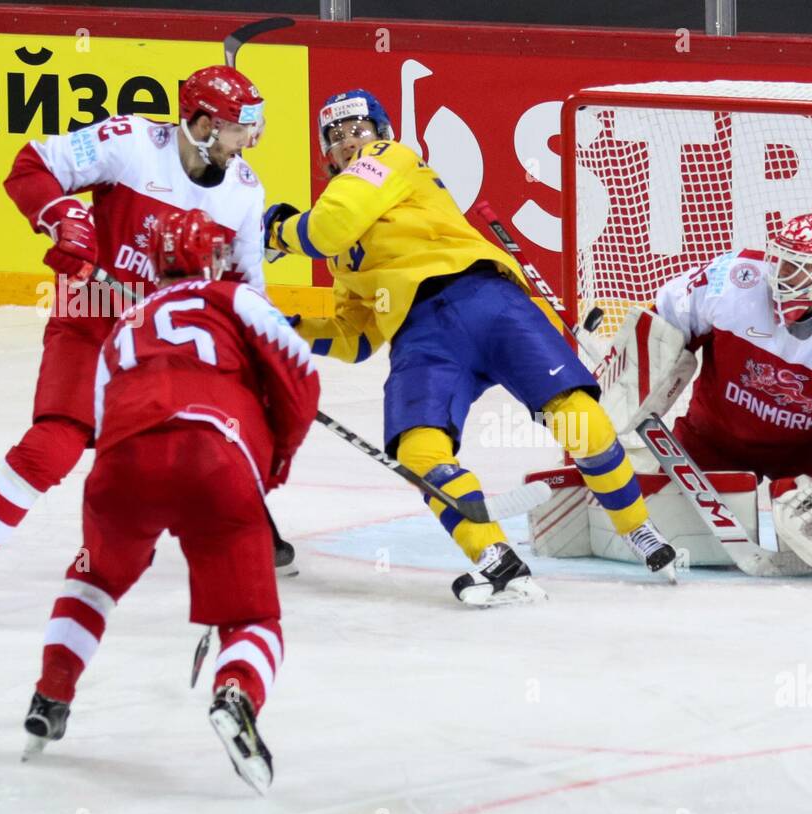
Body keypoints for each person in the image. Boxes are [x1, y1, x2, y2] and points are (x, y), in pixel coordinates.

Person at [262, 89, 677, 606]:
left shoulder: (389, 158)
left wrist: (275, 230)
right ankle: (496, 560)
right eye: (337, 137)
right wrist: (279, 325)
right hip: (422, 337)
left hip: (484, 298)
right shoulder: (345, 258)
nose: (349, 142)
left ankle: (637, 528)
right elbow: (357, 337)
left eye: (357, 130)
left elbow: (324, 227)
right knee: (419, 450)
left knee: (578, 419)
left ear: (381, 133)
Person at [0, 65, 281, 623]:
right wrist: (63, 217)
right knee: (55, 444)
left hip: (155, 345)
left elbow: (242, 288)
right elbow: (33, 165)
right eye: (239, 127)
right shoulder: (132, 141)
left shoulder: (244, 194)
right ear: (204, 123)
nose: (250, 140)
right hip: (91, 318)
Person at [21, 207, 320, 794]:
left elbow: (103, 423)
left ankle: (51, 692)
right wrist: (272, 460)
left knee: (93, 579)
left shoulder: (125, 323)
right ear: (213, 259)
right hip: (216, 459)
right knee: (252, 617)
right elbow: (301, 377)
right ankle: (235, 693)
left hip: (121, 468)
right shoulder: (236, 299)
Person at [613, 210, 812, 571]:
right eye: (781, 261)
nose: (781, 276)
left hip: (807, 465)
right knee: (649, 515)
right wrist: (627, 383)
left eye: (797, 267)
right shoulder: (732, 280)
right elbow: (664, 318)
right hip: (711, 440)